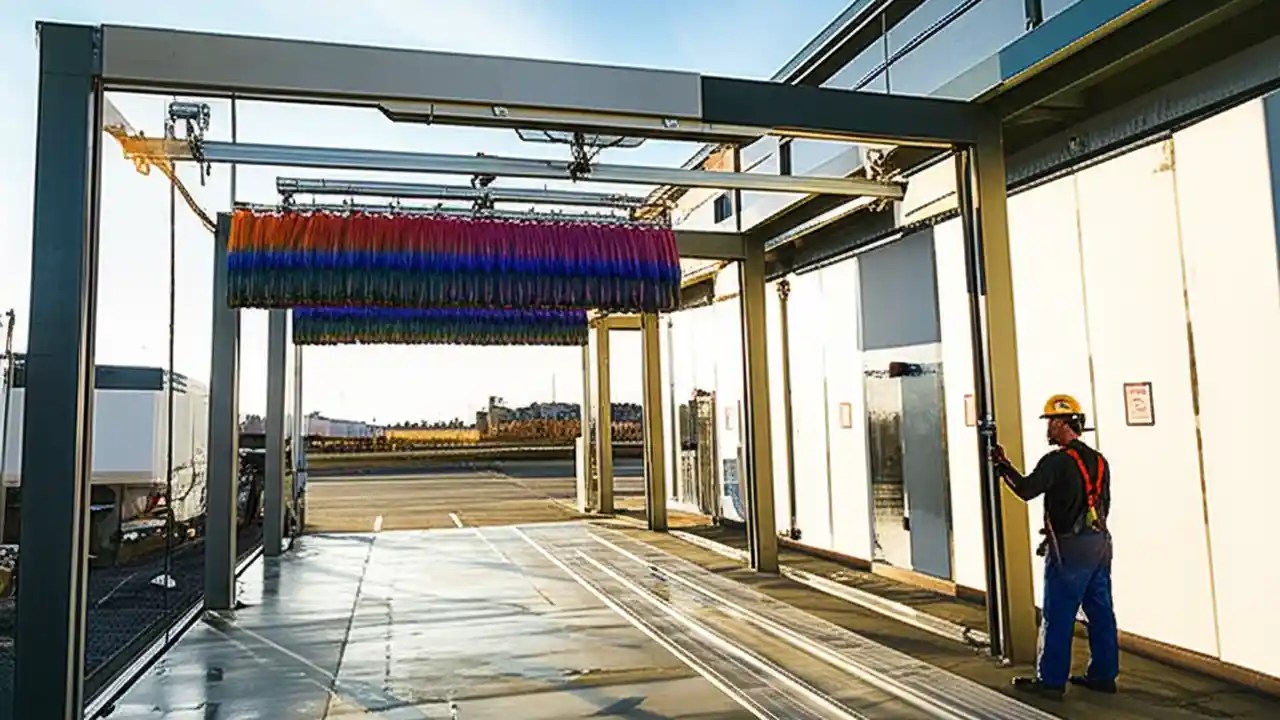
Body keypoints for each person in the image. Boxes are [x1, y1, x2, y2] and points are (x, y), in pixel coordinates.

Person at [990, 394, 1118, 700]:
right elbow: (1105, 504)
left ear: (1062, 423)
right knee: (1101, 613)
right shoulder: (1099, 461)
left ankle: (1050, 681)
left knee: (1057, 614)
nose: (1048, 429)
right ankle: (1103, 676)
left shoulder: (1057, 461)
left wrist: (1003, 466)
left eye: (1050, 423)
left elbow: (1026, 489)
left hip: (1069, 551)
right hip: (1099, 545)